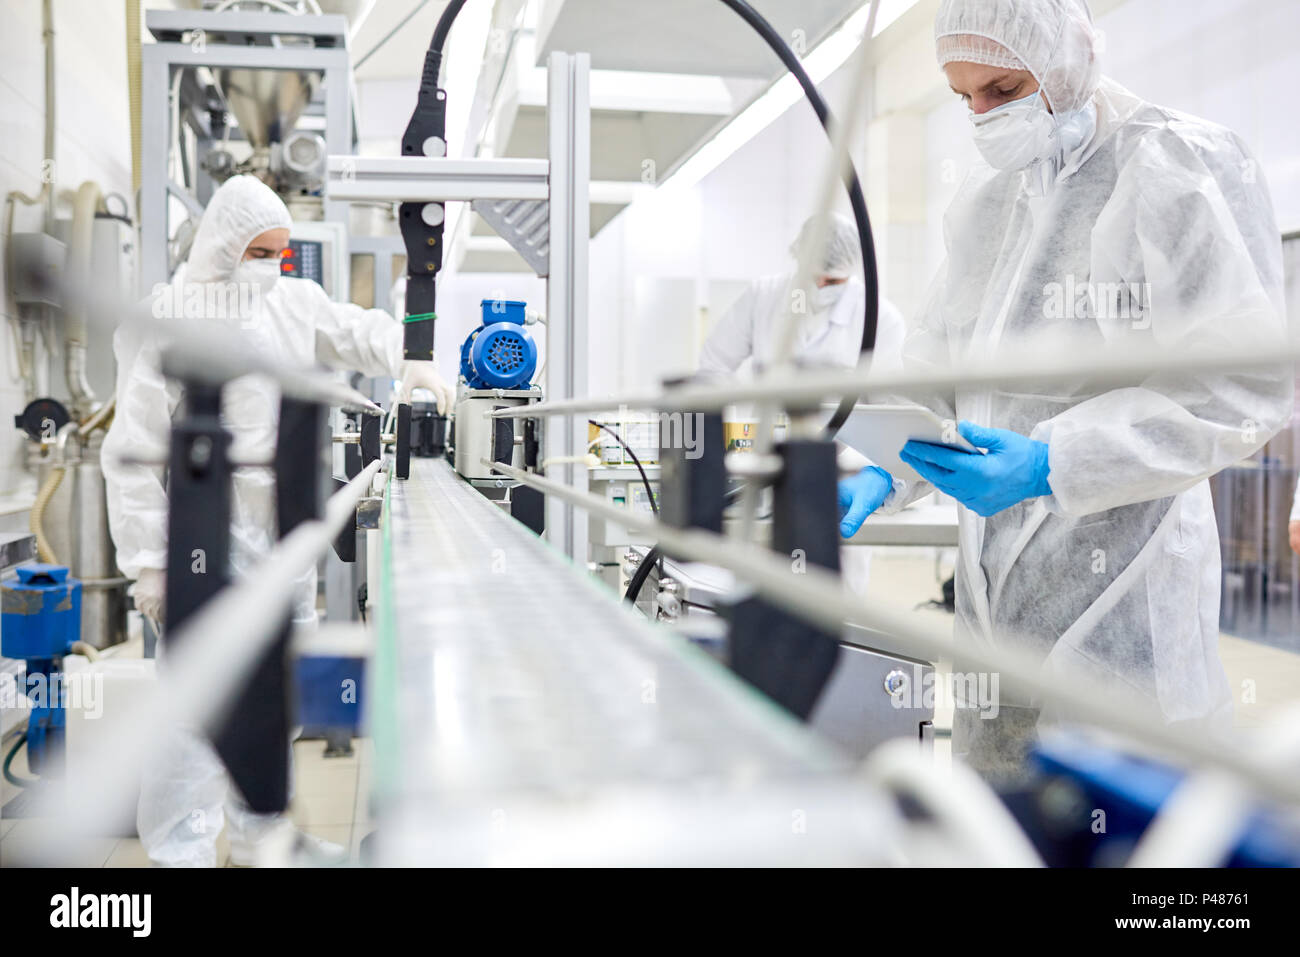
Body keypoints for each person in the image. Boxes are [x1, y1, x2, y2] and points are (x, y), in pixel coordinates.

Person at [837, 0, 1293, 784]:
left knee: (1126, 829)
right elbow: (939, 374)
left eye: (1003, 87)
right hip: (993, 600)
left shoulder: (1174, 167)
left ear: (1066, 62)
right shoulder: (987, 204)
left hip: (1126, 602)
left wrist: (1055, 460)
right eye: (963, 96)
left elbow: (1237, 383)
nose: (981, 115)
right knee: (1002, 820)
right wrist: (891, 463)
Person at [102, 175, 453, 866]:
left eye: (280, 252)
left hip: (284, 530)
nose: (272, 266)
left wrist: (410, 357)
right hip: (204, 533)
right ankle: (182, 845)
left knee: (279, 691)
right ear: (223, 248)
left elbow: (355, 329)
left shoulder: (292, 303)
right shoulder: (167, 314)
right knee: (198, 703)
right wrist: (147, 560)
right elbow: (131, 452)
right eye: (259, 252)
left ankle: (261, 826)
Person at [698, 212, 906, 594]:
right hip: (763, 470)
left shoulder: (881, 319)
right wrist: (727, 439)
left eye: (834, 279)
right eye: (816, 274)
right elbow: (712, 366)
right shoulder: (763, 297)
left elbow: (891, 409)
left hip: (840, 479)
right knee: (761, 596)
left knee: (835, 607)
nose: (823, 284)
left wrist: (870, 471)